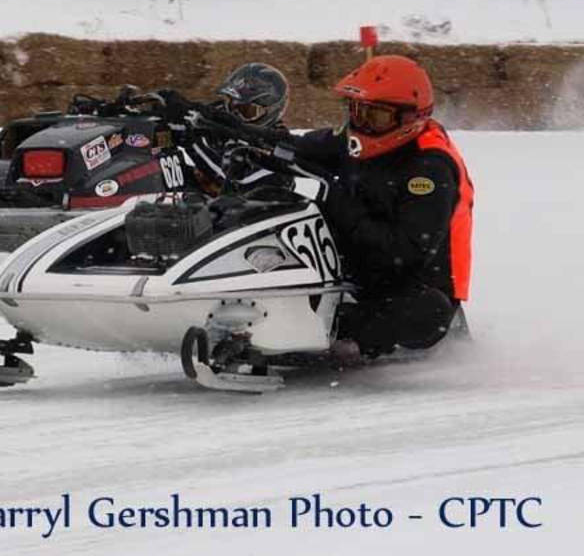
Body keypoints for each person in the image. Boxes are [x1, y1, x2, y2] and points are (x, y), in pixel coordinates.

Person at [259, 55, 474, 359]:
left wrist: (337, 201)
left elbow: (402, 253)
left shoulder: (430, 168)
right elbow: (297, 147)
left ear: (409, 118)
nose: (362, 124)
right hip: (357, 264)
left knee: (426, 311)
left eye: (376, 117)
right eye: (356, 112)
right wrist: (235, 131)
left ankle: (336, 338)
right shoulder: (355, 139)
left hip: (411, 284)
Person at [159, 62, 294, 195]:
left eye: (246, 111)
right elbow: (202, 114)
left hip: (250, 202)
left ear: (271, 111)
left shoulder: (279, 145)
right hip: (208, 194)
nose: (235, 116)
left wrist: (190, 139)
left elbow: (233, 177)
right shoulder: (223, 114)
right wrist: (166, 116)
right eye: (232, 105)